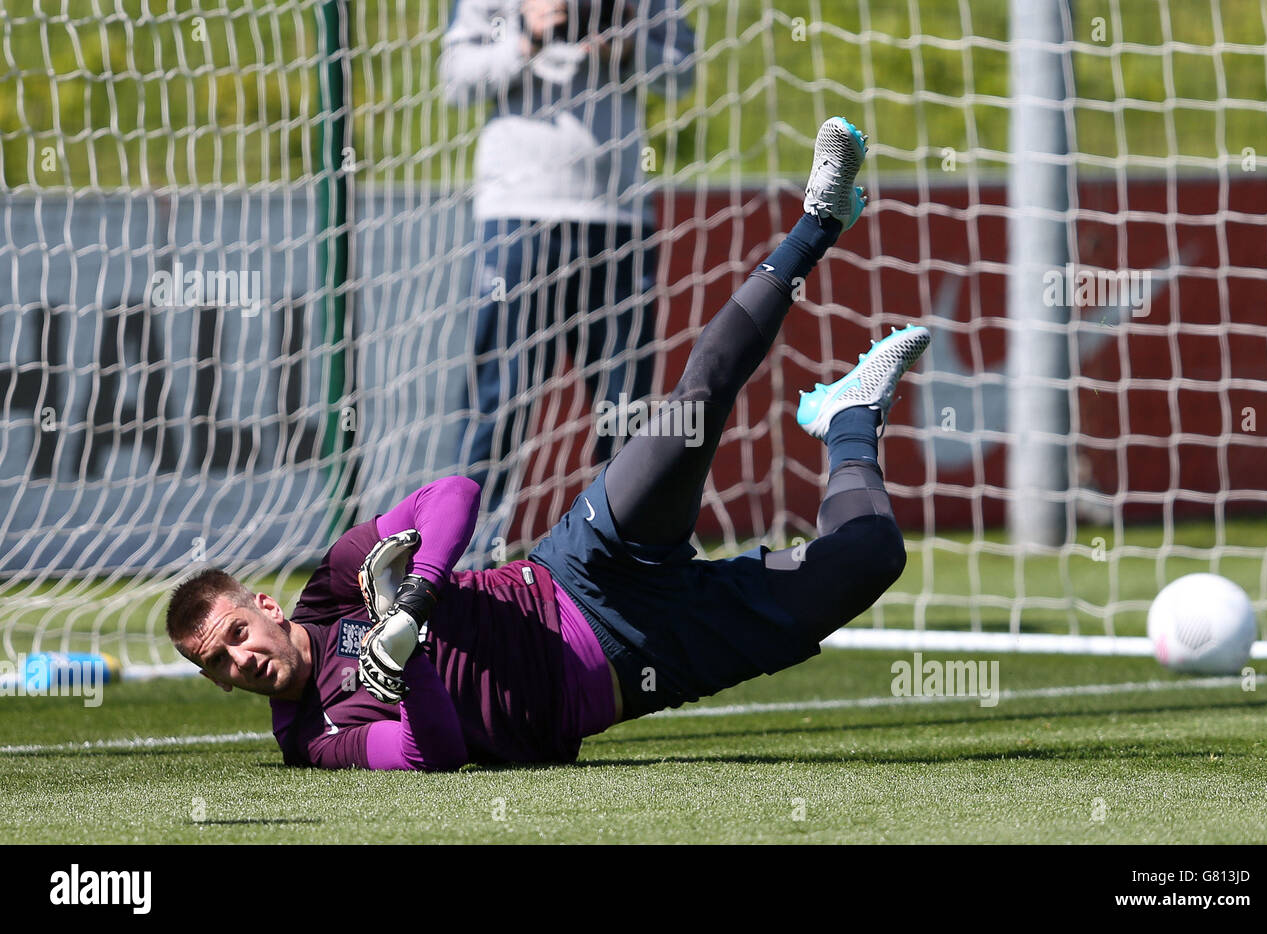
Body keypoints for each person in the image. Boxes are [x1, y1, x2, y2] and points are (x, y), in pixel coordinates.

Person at [166, 119, 931, 771]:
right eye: (218, 666)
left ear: (262, 607)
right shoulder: (311, 735)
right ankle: (850, 418)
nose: (241, 660)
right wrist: (409, 663)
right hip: (636, 665)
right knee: (871, 560)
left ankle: (819, 221)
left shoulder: (337, 585)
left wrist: (418, 593)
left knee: (691, 409)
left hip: (578, 566)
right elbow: (430, 756)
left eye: (235, 635)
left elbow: (456, 494)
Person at [437, 0, 697, 564]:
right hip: (519, 210)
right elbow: (455, 80)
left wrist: (625, 45)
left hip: (618, 215)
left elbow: (683, 69)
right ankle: (464, 560)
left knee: (623, 401)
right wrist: (526, 37)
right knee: (499, 399)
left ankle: (624, 557)